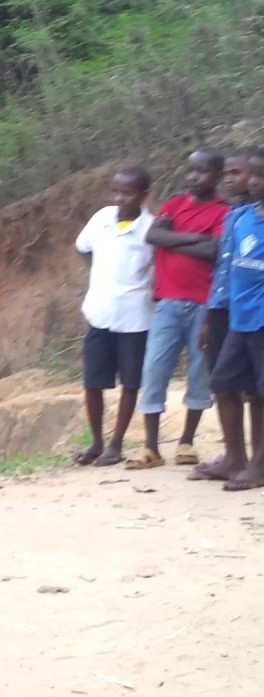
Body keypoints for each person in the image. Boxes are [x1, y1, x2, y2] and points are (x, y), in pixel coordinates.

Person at [127, 150, 229, 470]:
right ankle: (151, 447)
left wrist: (172, 238)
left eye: (203, 171)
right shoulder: (173, 204)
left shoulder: (225, 212)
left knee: (199, 373)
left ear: (218, 176)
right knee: (155, 370)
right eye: (191, 170)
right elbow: (153, 235)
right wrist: (192, 239)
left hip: (204, 305)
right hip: (168, 303)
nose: (194, 176)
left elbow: (214, 250)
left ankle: (187, 441)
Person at [71, 166, 155, 467]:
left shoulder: (150, 229)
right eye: (116, 192)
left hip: (135, 316)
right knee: (93, 381)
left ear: (143, 196)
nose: (120, 198)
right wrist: (100, 275)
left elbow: (156, 269)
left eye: (127, 193)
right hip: (100, 311)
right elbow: (83, 248)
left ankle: (117, 443)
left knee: (130, 383)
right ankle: (96, 441)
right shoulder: (102, 219)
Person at [191, 148, 264, 481]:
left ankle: (256, 463)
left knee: (256, 389)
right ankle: (234, 457)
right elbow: (224, 269)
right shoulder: (237, 216)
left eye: (240, 173)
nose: (233, 180)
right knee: (223, 381)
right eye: (230, 173)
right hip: (230, 311)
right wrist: (209, 313)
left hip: (254, 315)